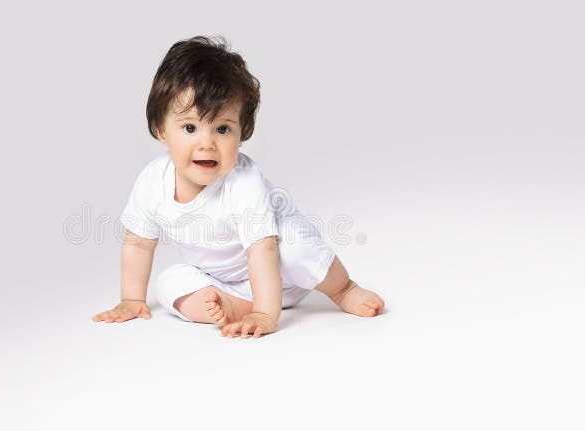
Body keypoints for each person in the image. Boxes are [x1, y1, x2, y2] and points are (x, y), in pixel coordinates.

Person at [93, 35, 384, 338]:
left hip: (282, 272)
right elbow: (139, 243)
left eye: (222, 129)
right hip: (223, 281)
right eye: (190, 128)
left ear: (242, 132)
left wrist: (265, 313)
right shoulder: (153, 182)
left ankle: (342, 289)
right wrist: (132, 299)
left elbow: (263, 250)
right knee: (169, 285)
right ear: (160, 129)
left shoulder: (244, 182)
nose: (207, 143)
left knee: (297, 247)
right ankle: (236, 306)